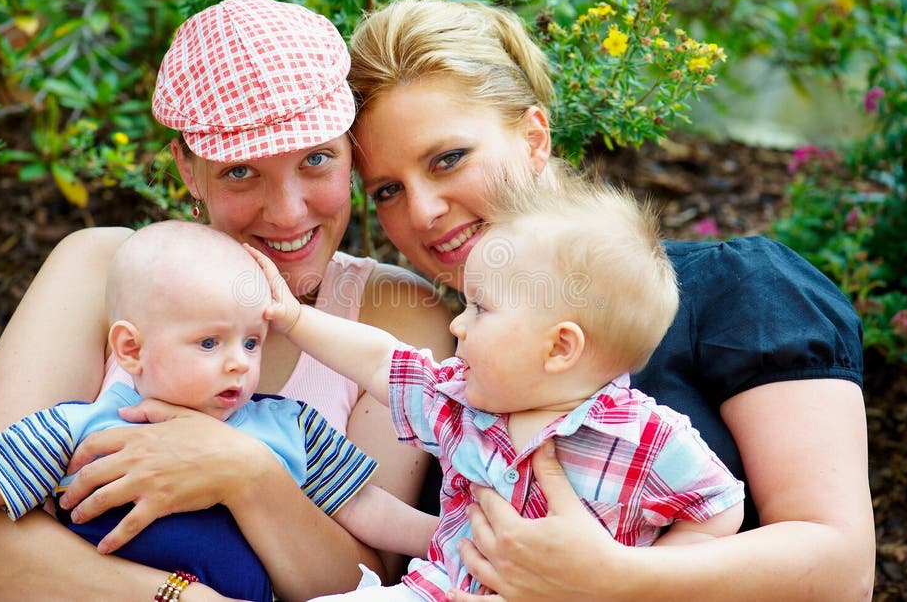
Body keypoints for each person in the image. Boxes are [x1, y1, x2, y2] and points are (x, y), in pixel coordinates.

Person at [346, 0, 875, 600]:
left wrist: (616, 580)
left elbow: (844, 569)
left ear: (534, 137)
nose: (421, 211)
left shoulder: (739, 292)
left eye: (448, 159)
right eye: (387, 190)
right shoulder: (434, 354)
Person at [0, 0, 454, 602]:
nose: (288, 212)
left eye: (316, 160)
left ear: (351, 150)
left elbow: (367, 582)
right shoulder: (96, 270)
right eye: (241, 171)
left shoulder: (395, 312)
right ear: (187, 167)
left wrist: (248, 474)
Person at [251, 174, 746, 600]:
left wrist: (634, 578)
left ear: (559, 348)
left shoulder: (644, 439)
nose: (459, 327)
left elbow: (718, 507)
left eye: (480, 309)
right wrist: (296, 319)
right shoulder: (460, 401)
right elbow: (381, 360)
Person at [0, 220, 431, 600]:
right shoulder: (88, 425)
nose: (238, 364)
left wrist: (452, 533)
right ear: (131, 350)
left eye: (251, 343)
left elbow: (370, 512)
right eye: (209, 343)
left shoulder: (290, 427)